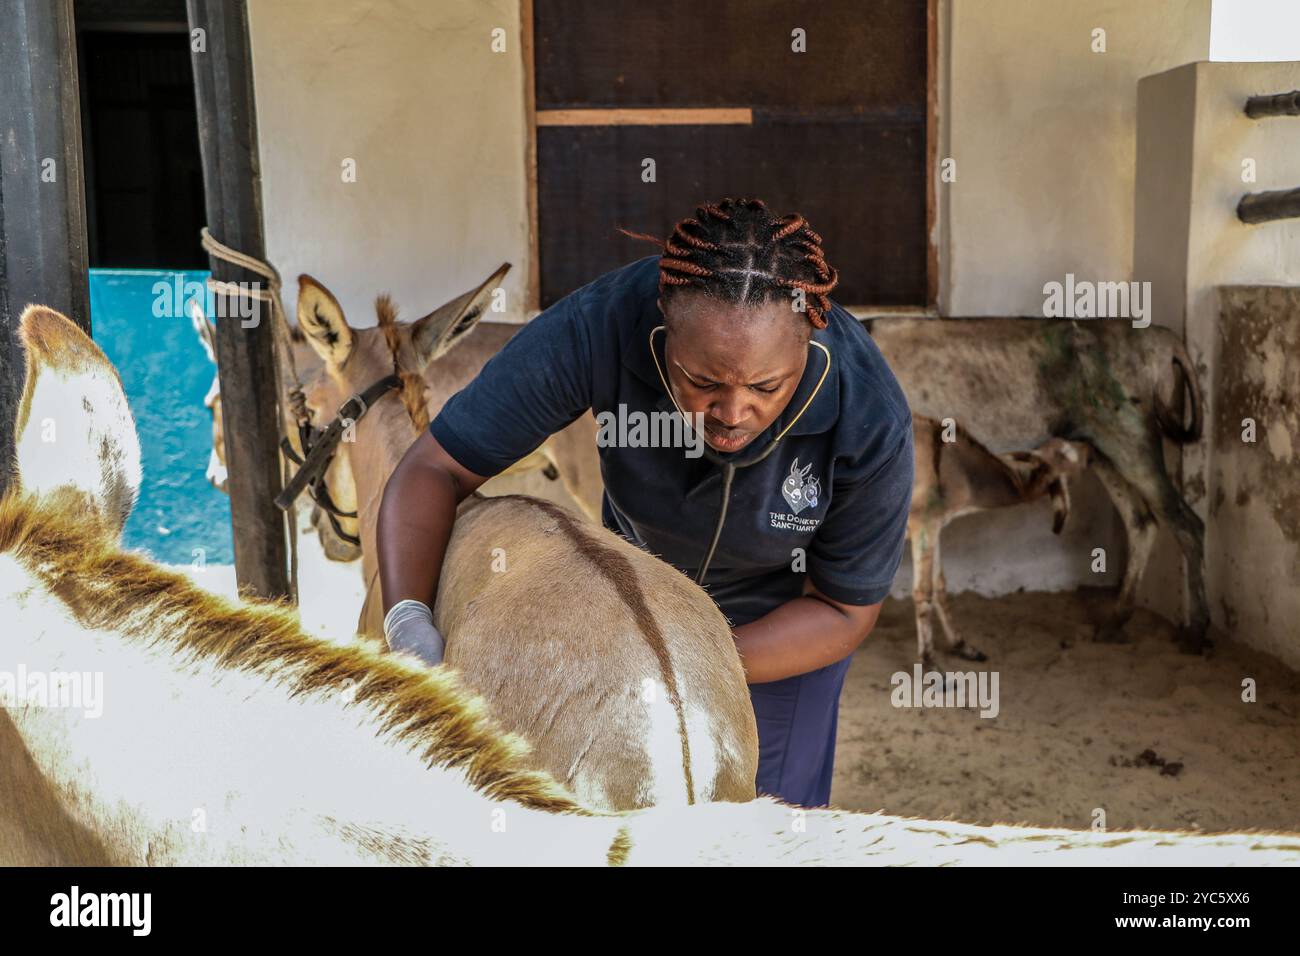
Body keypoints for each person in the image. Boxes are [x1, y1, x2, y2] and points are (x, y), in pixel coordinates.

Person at [377, 197, 914, 808]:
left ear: (809, 339)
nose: (734, 415)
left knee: (761, 832)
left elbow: (844, 610)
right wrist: (408, 622)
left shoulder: (869, 411)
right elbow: (433, 468)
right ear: (662, 322)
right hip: (635, 596)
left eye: (767, 387)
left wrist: (698, 662)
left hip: (783, 624)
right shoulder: (600, 324)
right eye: (702, 382)